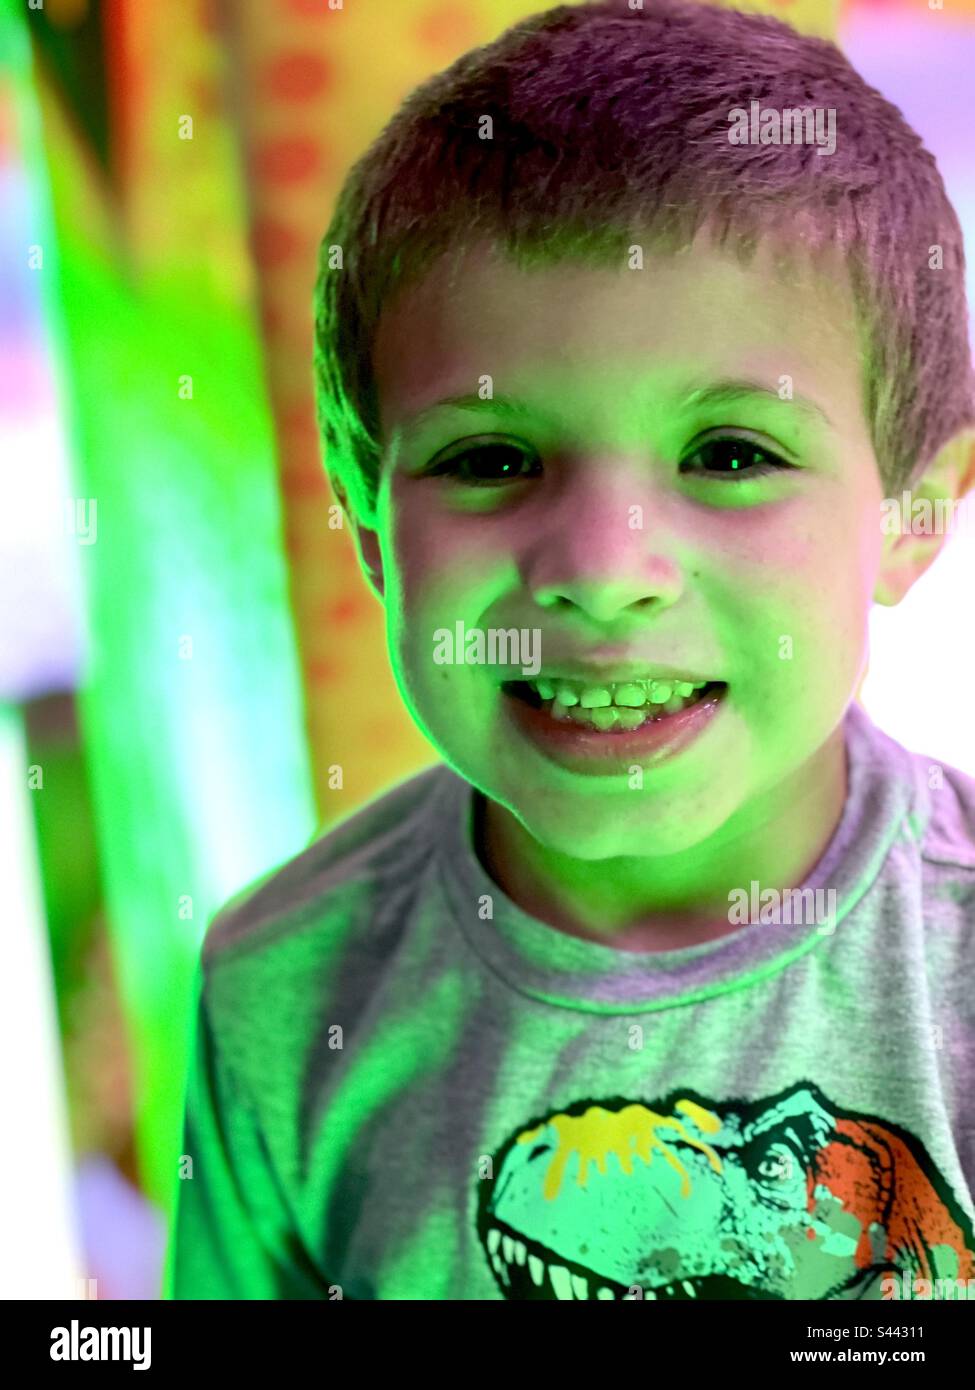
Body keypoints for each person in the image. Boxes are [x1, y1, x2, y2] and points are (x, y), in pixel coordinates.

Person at [170, 0, 975, 1300]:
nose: (602, 573)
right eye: (492, 459)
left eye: (730, 453)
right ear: (373, 526)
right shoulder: (280, 989)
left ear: (914, 514)